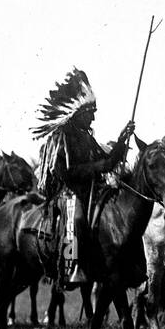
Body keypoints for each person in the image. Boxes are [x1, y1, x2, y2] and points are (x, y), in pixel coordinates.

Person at [33, 69, 134, 285]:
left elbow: (106, 163)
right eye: (90, 113)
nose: (94, 117)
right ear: (78, 115)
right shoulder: (63, 138)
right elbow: (66, 172)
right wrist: (96, 167)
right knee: (77, 218)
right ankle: (73, 267)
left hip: (91, 190)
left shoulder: (87, 137)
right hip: (68, 192)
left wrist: (122, 138)